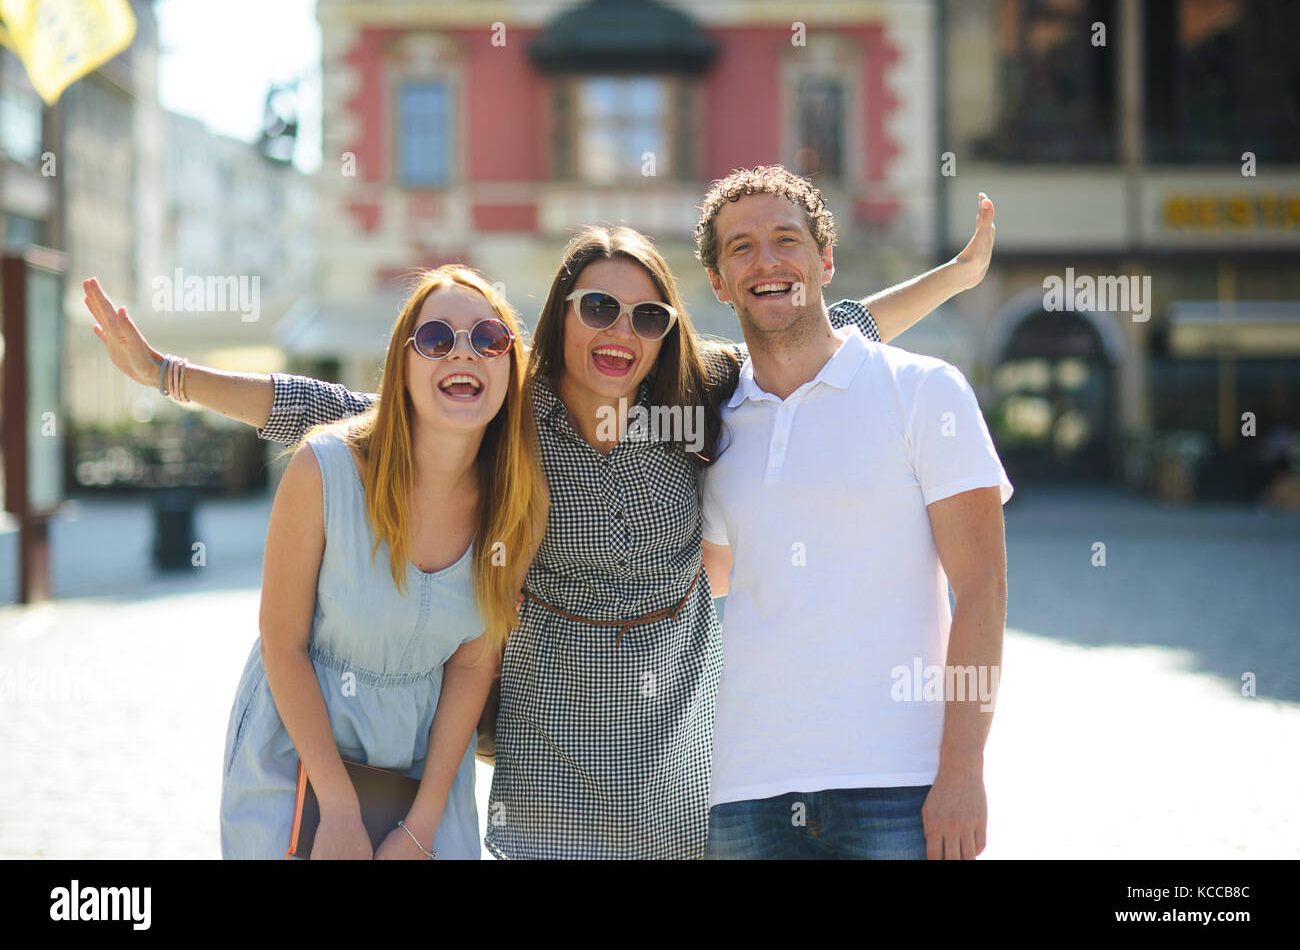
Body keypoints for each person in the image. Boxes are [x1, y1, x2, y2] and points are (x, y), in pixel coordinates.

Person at [82, 191, 995, 858]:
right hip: (545, 756)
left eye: (644, 313)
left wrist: (952, 280)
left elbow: (830, 329)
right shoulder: (516, 412)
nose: (620, 328)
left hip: (677, 760)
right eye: (597, 306)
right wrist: (168, 373)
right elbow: (347, 408)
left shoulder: (697, 390)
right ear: (558, 321)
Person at [86, 266, 547, 859]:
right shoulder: (323, 472)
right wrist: (339, 806)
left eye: (489, 339)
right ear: (401, 369)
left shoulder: (519, 507)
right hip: (296, 754)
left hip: (428, 776)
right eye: (435, 339)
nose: (464, 351)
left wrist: (422, 826)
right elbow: (283, 645)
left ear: (511, 366)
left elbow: (469, 668)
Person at [695, 165, 1011, 860]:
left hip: (897, 783)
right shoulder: (714, 421)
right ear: (718, 281)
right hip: (743, 790)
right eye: (740, 248)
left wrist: (963, 769)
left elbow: (983, 589)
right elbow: (713, 583)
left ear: (825, 259)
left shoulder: (925, 391)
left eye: (786, 239)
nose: (767, 260)